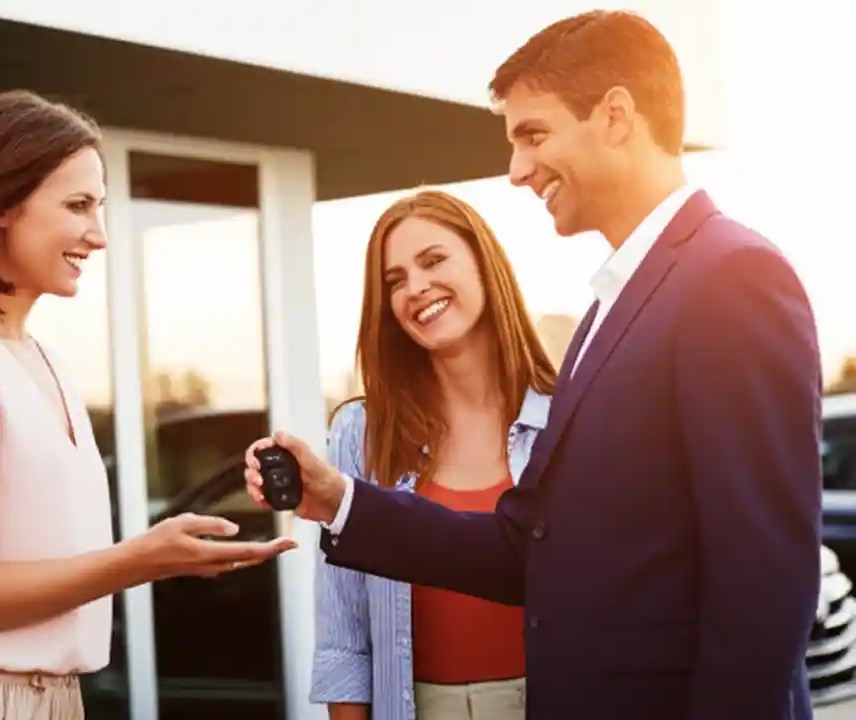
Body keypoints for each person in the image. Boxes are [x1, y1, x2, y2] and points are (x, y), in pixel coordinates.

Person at [247, 11, 822, 720]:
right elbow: (528, 547)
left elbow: (762, 588)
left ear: (615, 115)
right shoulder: (608, 313)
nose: (517, 169)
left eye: (534, 135)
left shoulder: (731, 278)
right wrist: (341, 501)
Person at [0, 90, 295, 720]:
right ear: (1, 205)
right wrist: (140, 560)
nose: (97, 235)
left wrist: (152, 556)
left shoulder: (43, 362)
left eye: (100, 208)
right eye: (77, 206)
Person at [309, 189, 556, 720]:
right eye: (394, 281)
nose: (415, 288)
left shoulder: (568, 418)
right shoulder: (360, 432)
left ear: (484, 264)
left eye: (434, 260)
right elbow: (343, 636)